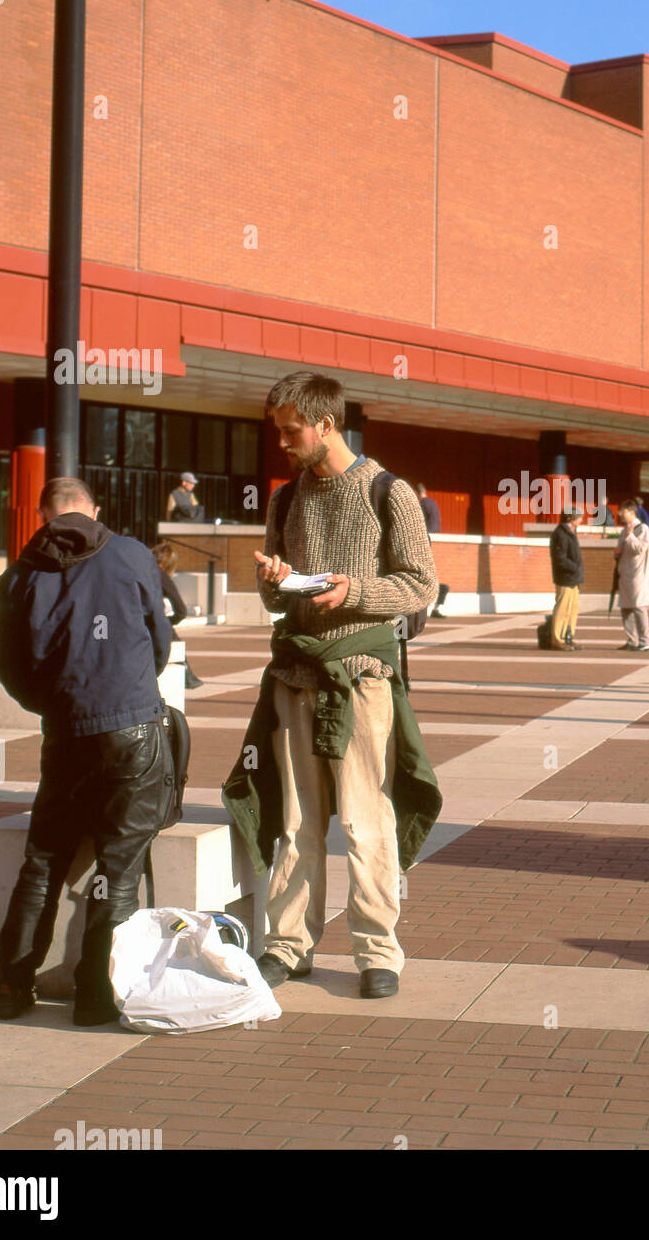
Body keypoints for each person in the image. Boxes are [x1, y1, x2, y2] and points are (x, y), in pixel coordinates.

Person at [226, 371, 440, 1001]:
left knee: (366, 822)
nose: (284, 443)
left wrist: (357, 591)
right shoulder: (284, 500)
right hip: (296, 675)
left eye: (292, 431)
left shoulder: (387, 491)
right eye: (279, 432)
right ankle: (287, 945)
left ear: (325, 423)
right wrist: (273, 577)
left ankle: (378, 952)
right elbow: (274, 595)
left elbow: (421, 584)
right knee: (297, 822)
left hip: (365, 678)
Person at [0, 477, 174, 1026]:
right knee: (118, 871)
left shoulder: (19, 573)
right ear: (93, 509)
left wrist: (54, 705)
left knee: (43, 862)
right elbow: (160, 638)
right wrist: (132, 687)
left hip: (65, 730)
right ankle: (93, 998)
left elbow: (9, 666)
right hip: (132, 729)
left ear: (44, 513)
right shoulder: (132, 554)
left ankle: (9, 988)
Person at [150, 541, 203, 689]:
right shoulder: (161, 576)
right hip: (152, 621)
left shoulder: (139, 572)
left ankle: (189, 676)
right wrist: (169, 621)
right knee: (170, 635)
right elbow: (181, 610)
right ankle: (188, 676)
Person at [614, 498, 649, 651]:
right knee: (625, 607)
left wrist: (630, 536)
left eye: (623, 512)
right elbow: (620, 549)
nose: (620, 515)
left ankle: (646, 641)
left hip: (638, 574)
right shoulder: (624, 529)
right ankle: (632, 640)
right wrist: (617, 552)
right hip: (625, 573)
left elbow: (641, 548)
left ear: (632, 512)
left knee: (639, 607)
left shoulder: (642, 528)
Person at [548, 508, 583, 650]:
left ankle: (568, 637)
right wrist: (575, 567)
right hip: (565, 577)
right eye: (580, 517)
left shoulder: (571, 533)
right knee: (562, 609)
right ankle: (557, 638)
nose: (581, 520)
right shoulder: (560, 534)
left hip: (573, 579)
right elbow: (559, 558)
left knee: (572, 610)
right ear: (571, 519)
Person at [416, 483, 449, 617]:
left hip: (427, 535)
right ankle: (436, 608)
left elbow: (420, 520)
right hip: (435, 533)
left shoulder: (422, 503)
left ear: (417, 493)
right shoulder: (432, 502)